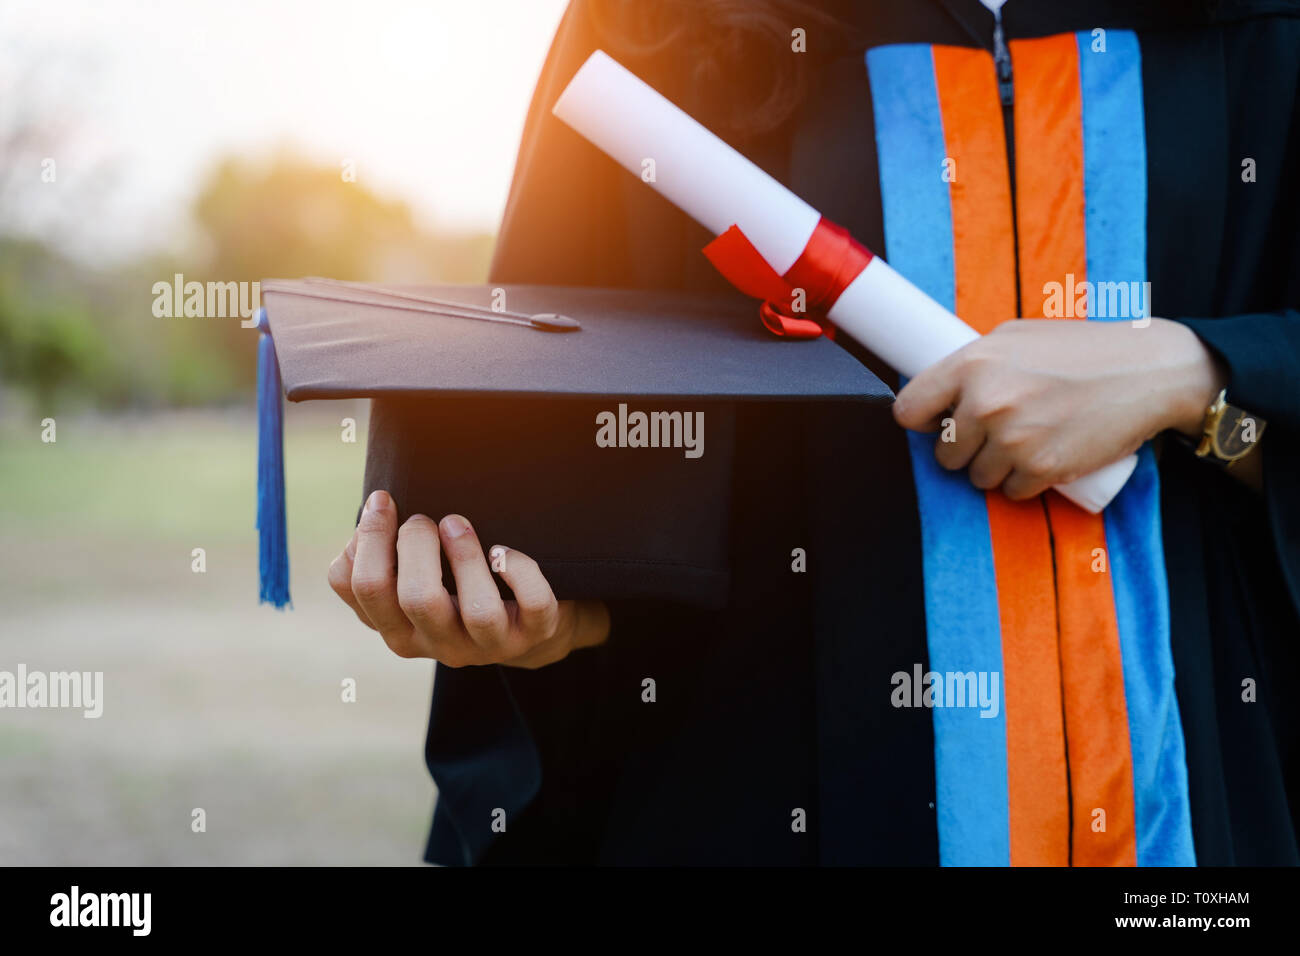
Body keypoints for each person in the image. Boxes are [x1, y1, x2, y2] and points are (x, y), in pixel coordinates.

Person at [328, 0, 1300, 865]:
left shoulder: (1262, 21)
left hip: (1192, 813)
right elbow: (575, 445)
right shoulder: (653, 26)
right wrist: (542, 624)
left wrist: (1197, 372)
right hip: (764, 796)